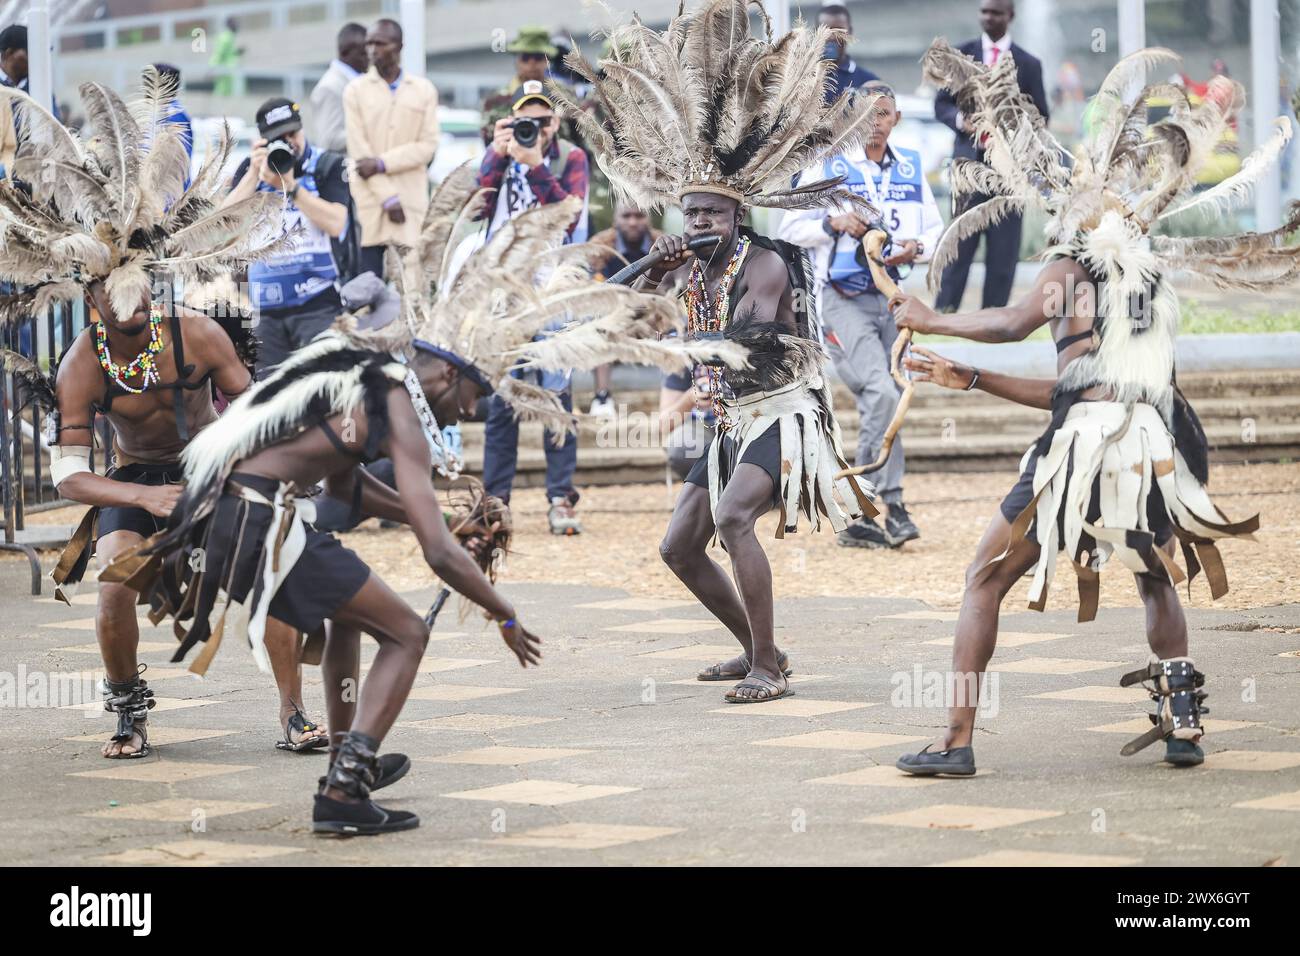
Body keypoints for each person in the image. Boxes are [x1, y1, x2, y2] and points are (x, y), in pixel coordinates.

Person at [112, 182, 713, 834]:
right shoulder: (396, 396)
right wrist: (503, 614)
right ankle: (345, 788)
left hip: (234, 520)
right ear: (449, 376)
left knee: (350, 619)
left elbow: (347, 492)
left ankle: (346, 761)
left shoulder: (366, 372)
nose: (470, 414)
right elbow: (436, 552)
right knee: (408, 631)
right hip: (254, 519)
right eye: (472, 400)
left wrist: (446, 518)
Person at [890, 44, 1290, 775]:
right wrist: (969, 380)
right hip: (1150, 442)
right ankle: (1183, 727)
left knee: (985, 577)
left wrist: (933, 316)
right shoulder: (1149, 281)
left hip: (1083, 449)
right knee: (1153, 574)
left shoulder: (1071, 266)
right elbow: (1090, 390)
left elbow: (1015, 326)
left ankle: (955, 741)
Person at [0, 73, 328, 758]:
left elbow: (254, 405)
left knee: (273, 575)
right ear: (91, 299)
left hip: (213, 468)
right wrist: (143, 493)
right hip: (135, 479)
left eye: (142, 293)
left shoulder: (197, 333)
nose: (134, 306)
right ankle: (127, 708)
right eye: (118, 299)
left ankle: (294, 713)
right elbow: (67, 477)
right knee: (115, 583)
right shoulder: (81, 366)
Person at [561, 0, 878, 703]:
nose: (699, 223)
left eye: (712, 214)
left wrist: (688, 343)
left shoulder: (763, 263)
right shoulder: (688, 264)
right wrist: (655, 265)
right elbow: (628, 307)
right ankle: (759, 649)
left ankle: (769, 668)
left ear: (740, 216)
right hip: (732, 422)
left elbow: (752, 343)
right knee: (678, 546)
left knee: (734, 518)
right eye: (691, 213)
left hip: (783, 415)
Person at [780, 83, 944, 549]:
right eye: (866, 114)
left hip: (893, 298)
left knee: (892, 394)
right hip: (840, 298)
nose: (876, 121)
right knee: (880, 389)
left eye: (885, 113)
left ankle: (867, 511)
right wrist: (831, 223)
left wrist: (917, 247)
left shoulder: (911, 165)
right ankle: (878, 501)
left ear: (896, 120)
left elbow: (932, 231)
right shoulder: (827, 164)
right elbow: (788, 226)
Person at [477, 79, 591, 534]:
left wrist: (535, 164)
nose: (535, 130)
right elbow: (474, 203)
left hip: (553, 291)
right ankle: (495, 500)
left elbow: (571, 216)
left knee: (556, 397)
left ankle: (560, 497)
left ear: (556, 123)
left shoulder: (569, 159)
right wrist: (496, 153)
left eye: (543, 122)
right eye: (526, 122)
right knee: (502, 399)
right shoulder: (502, 156)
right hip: (504, 292)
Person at [932, 0, 1048, 312]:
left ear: (1010, 16)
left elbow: (1042, 116)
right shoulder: (961, 56)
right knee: (958, 244)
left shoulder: (1029, 64)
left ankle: (994, 316)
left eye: (995, 12)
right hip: (969, 170)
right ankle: (944, 314)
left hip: (1009, 176)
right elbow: (941, 104)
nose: (988, 17)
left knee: (1003, 251)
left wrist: (1013, 129)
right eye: (984, 11)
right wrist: (962, 121)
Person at [225, 97, 351, 377]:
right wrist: (253, 176)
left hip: (318, 304)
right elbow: (223, 227)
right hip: (265, 311)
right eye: (278, 139)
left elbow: (336, 223)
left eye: (292, 135)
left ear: (302, 130)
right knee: (271, 399)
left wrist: (291, 186)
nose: (288, 143)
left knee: (323, 389)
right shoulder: (253, 170)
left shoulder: (327, 165)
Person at [344, 18, 440, 280]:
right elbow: (359, 154)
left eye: (380, 43)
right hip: (371, 204)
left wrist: (382, 162)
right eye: (369, 43)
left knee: (410, 291)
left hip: (411, 203)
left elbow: (427, 147)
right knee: (369, 291)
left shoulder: (423, 90)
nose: (372, 49)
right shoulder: (355, 91)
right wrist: (387, 197)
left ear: (399, 46)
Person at [587, 202, 661, 416]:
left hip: (654, 317)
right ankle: (602, 397)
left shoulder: (662, 243)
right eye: (626, 216)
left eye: (639, 216)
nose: (632, 222)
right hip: (614, 317)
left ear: (648, 219)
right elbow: (592, 291)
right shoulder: (600, 247)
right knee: (598, 326)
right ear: (615, 219)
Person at [480, 26, 558, 144]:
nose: (532, 63)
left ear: (547, 61)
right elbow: (489, 142)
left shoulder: (565, 98)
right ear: (517, 61)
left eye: (538, 57)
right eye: (526, 57)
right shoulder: (496, 100)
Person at [309, 23, 368, 155]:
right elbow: (329, 139)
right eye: (363, 53)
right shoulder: (330, 87)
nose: (369, 58)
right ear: (345, 52)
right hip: (344, 171)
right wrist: (372, 131)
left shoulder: (362, 80)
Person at [818, 2, 879, 102]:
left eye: (839, 31)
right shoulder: (799, 79)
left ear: (850, 32)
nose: (832, 37)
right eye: (826, 30)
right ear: (816, 31)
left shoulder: (868, 82)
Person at [210, 17, 243, 98]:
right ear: (229, 25)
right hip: (225, 71)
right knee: (222, 93)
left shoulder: (230, 37)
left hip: (231, 70)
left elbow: (229, 53)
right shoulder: (225, 37)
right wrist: (212, 68)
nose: (237, 26)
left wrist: (238, 52)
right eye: (235, 24)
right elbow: (219, 53)